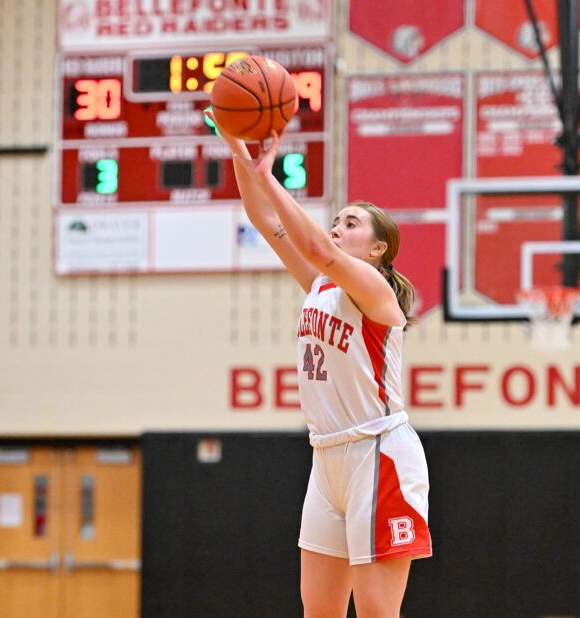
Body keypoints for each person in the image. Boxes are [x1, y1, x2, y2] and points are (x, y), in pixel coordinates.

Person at [207, 112, 432, 618]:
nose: (336, 229)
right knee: (319, 613)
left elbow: (312, 244)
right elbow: (265, 220)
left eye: (350, 224)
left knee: (377, 613)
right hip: (326, 458)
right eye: (336, 221)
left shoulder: (375, 292)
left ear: (378, 249)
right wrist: (239, 150)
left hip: (379, 453)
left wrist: (269, 174)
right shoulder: (320, 285)